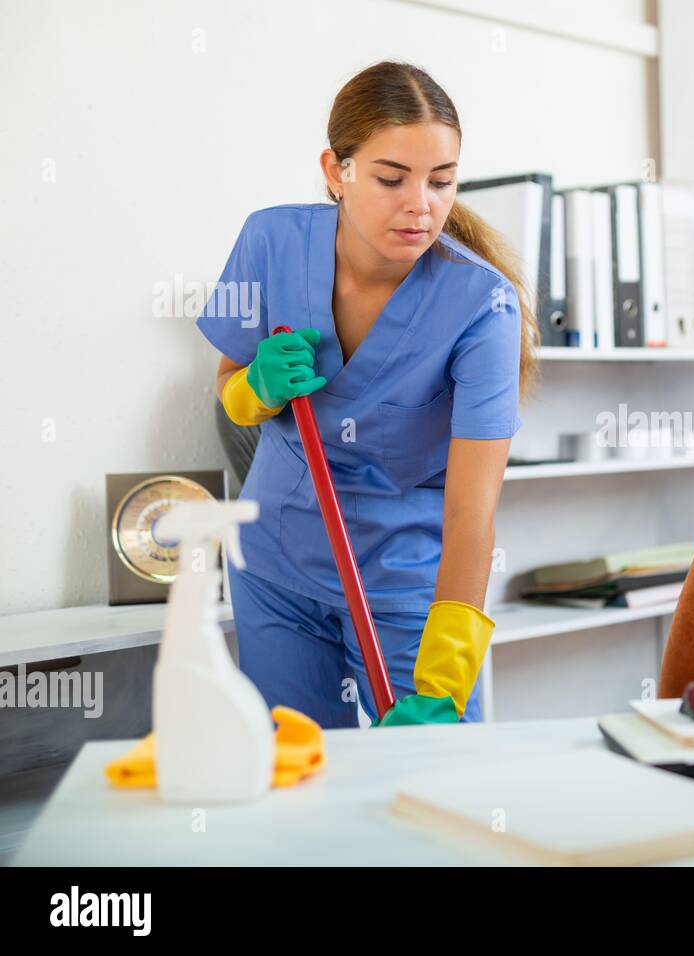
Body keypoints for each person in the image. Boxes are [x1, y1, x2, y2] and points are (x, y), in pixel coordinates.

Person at [196, 61, 537, 728]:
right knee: (299, 780)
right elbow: (227, 387)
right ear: (336, 170)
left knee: (435, 793)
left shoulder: (481, 307)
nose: (422, 205)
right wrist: (255, 389)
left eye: (442, 181)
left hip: (403, 579)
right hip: (275, 563)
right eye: (391, 179)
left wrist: (446, 678)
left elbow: (473, 512)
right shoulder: (271, 241)